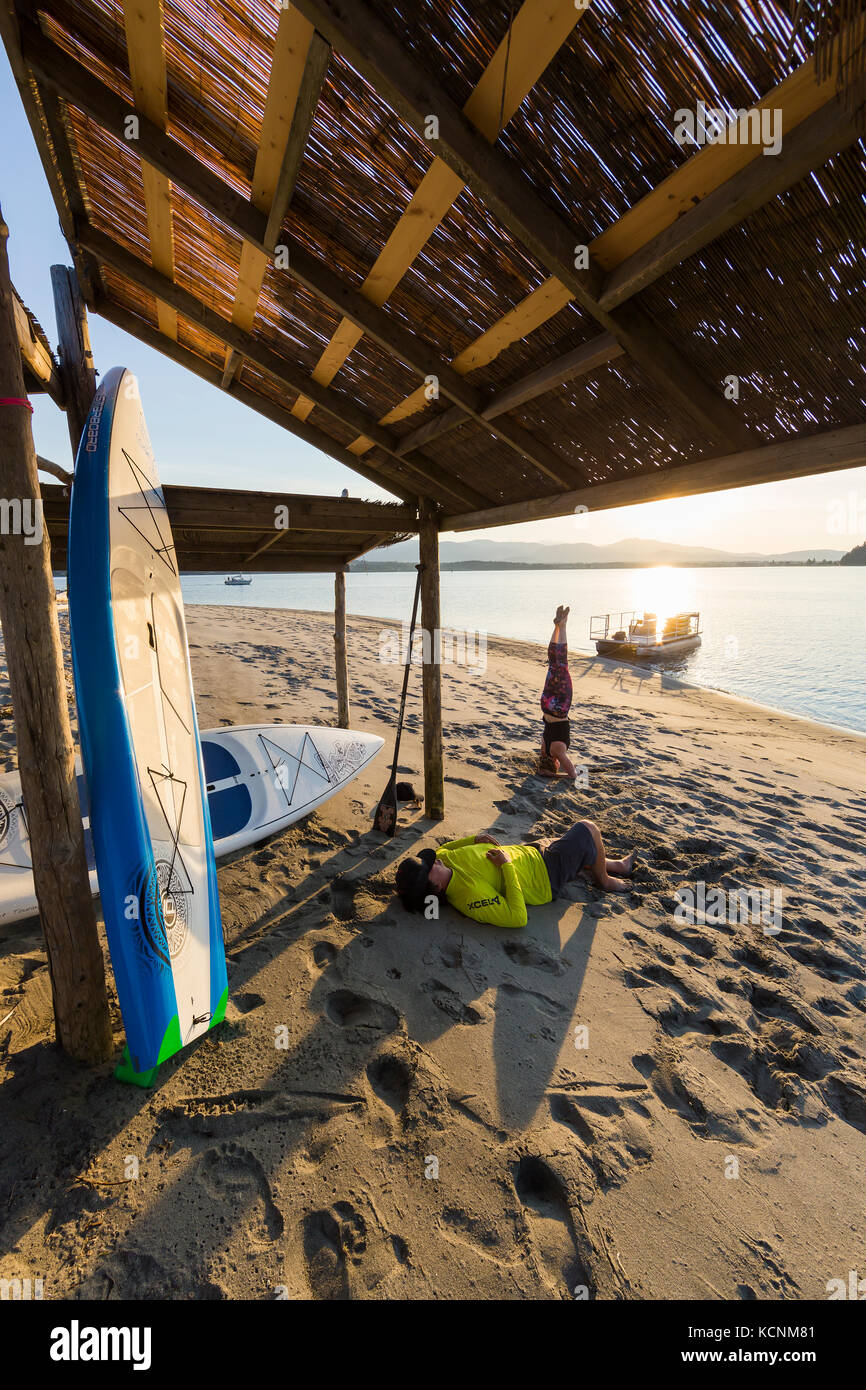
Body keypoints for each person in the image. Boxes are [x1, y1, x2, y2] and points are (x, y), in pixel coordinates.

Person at [395, 824, 637, 928]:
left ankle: (613, 864)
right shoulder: (470, 896)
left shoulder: (442, 860)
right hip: (543, 877)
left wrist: (475, 839)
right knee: (588, 829)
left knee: (564, 843)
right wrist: (507, 866)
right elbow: (518, 917)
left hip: (530, 853)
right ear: (435, 887)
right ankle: (605, 880)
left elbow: (446, 849)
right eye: (429, 867)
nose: (434, 860)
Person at [539, 605, 576, 779]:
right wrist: (545, 769)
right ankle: (558, 626)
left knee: (562, 663)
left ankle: (563, 626)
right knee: (553, 663)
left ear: (555, 764)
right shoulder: (544, 747)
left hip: (560, 707)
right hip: (546, 704)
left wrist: (553, 775)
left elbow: (574, 776)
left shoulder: (557, 751)